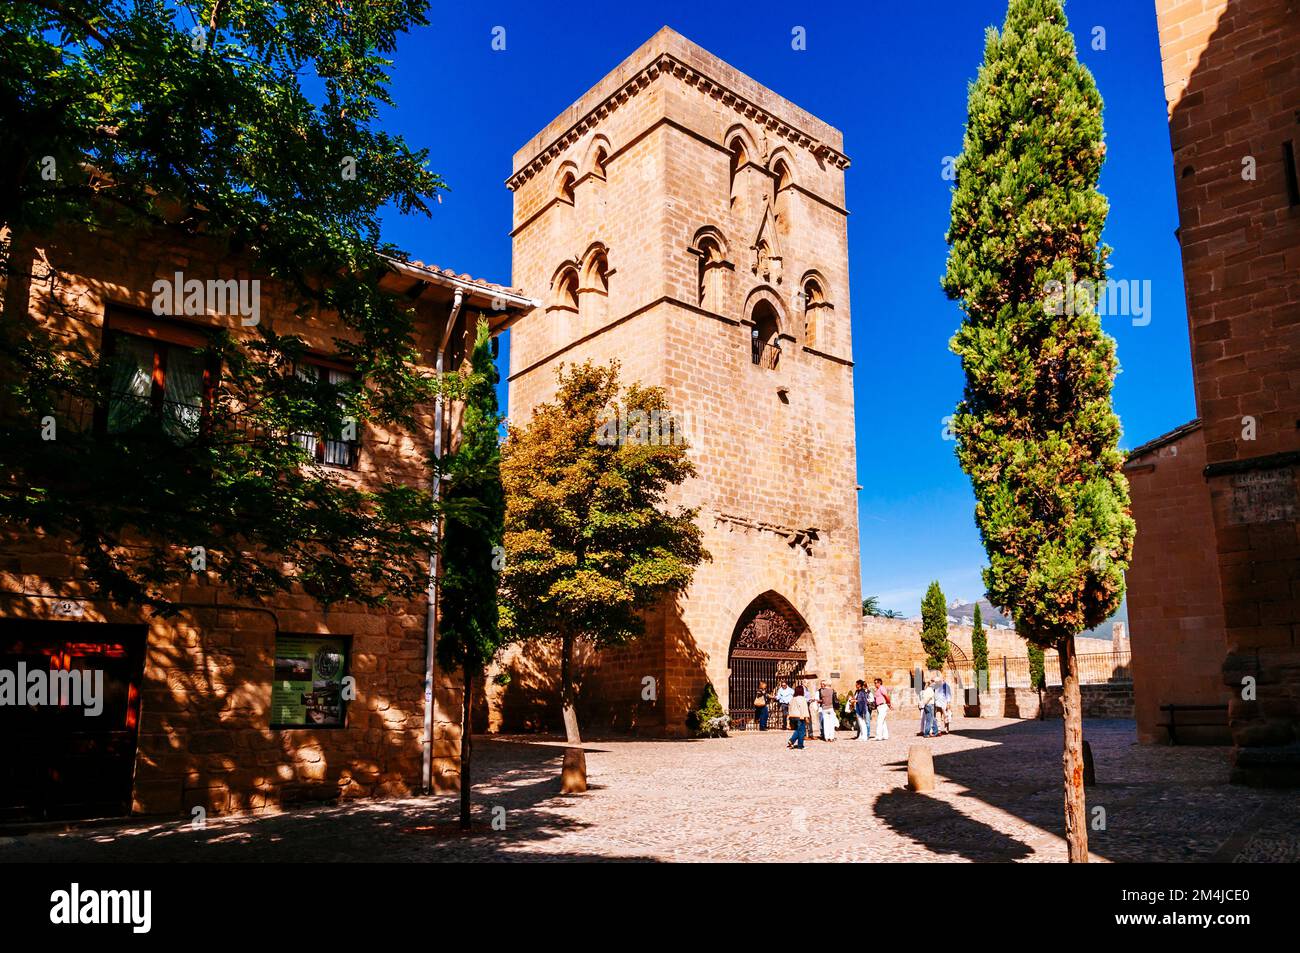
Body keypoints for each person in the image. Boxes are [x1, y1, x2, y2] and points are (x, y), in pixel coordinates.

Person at [787, 684, 809, 749]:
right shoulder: (802, 699)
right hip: (800, 716)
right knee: (802, 731)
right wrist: (806, 717)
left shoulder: (793, 699)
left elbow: (789, 707)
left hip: (792, 716)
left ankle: (791, 740)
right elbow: (804, 708)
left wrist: (789, 716)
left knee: (798, 730)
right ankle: (800, 745)